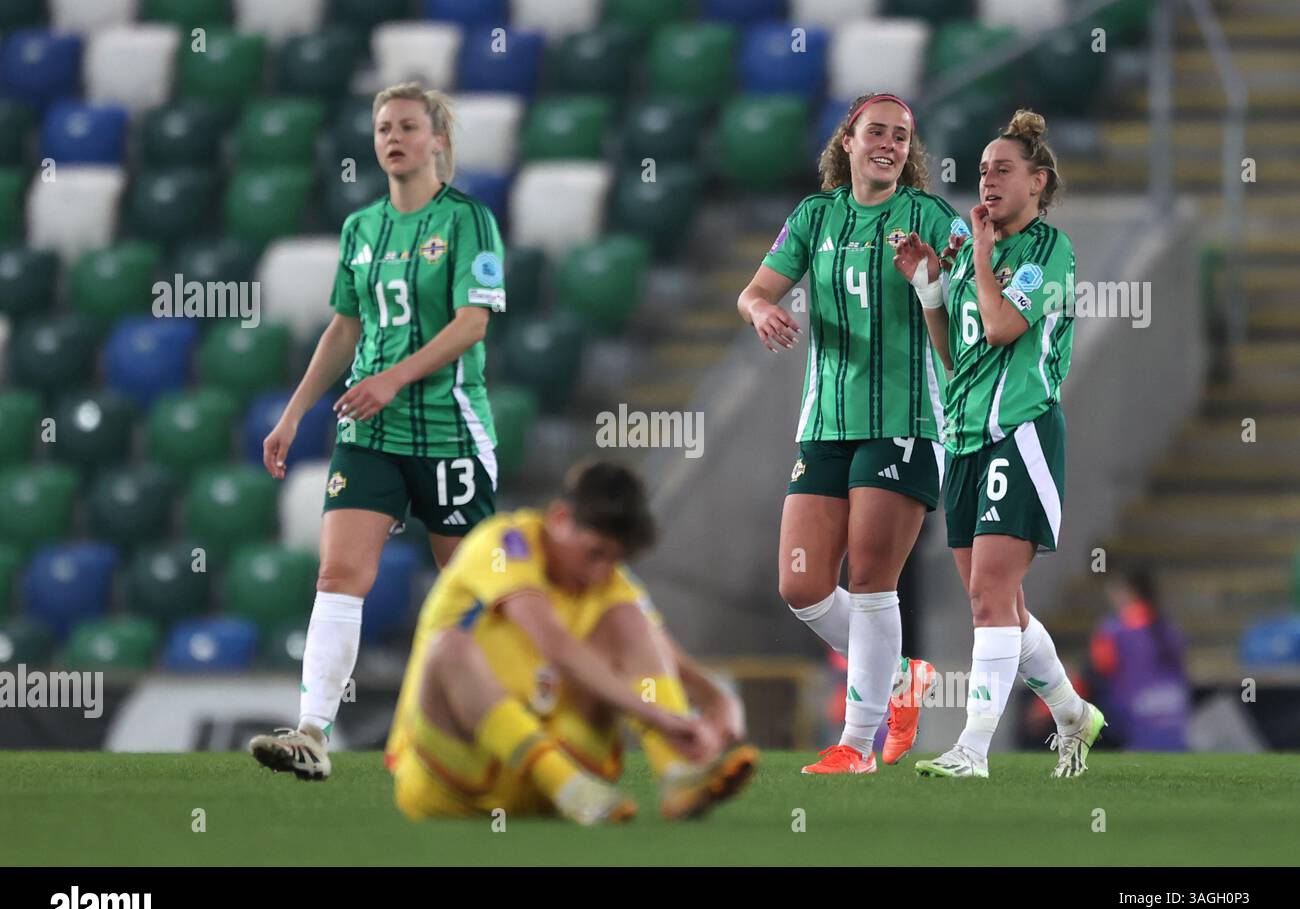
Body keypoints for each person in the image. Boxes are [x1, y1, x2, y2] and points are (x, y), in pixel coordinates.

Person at [249, 83, 507, 780]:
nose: (393, 137)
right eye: (384, 127)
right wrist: (295, 411)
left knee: (472, 585)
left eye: (408, 126)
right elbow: (345, 327)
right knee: (338, 573)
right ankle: (312, 732)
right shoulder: (360, 229)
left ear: (438, 141)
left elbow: (472, 324)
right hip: (369, 434)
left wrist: (394, 377)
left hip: (451, 430)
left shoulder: (469, 221)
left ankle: (511, 720)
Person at [736, 92, 965, 775]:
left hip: (906, 419)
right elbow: (754, 290)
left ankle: (856, 744)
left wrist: (933, 283)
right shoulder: (815, 216)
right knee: (801, 584)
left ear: (910, 150)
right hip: (825, 422)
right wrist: (760, 313)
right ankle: (900, 678)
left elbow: (964, 317)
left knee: (869, 581)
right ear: (848, 141)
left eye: (900, 135)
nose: (888, 143)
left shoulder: (928, 216)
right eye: (876, 132)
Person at [895, 109, 1105, 779]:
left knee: (989, 595)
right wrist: (931, 287)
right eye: (983, 171)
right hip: (962, 438)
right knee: (999, 604)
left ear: (1037, 182)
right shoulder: (965, 257)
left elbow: (1001, 327)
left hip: (1022, 431)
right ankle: (1073, 713)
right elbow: (955, 357)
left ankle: (973, 749)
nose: (987, 181)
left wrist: (979, 259)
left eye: (1003, 171)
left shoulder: (1049, 250)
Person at [387, 460, 758, 824]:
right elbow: (554, 644)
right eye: (595, 553)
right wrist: (656, 716)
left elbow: (666, 655)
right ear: (560, 518)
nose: (602, 572)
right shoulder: (503, 544)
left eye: (615, 559)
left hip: (555, 780)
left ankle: (677, 773)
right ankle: (563, 783)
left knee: (629, 619)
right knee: (449, 646)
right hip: (453, 776)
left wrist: (718, 697)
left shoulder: (609, 578)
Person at [1089, 568, 1189, 750]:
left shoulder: (1113, 630)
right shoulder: (1166, 625)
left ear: (1129, 591)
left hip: (1133, 712)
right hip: (1172, 709)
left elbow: (1101, 667)